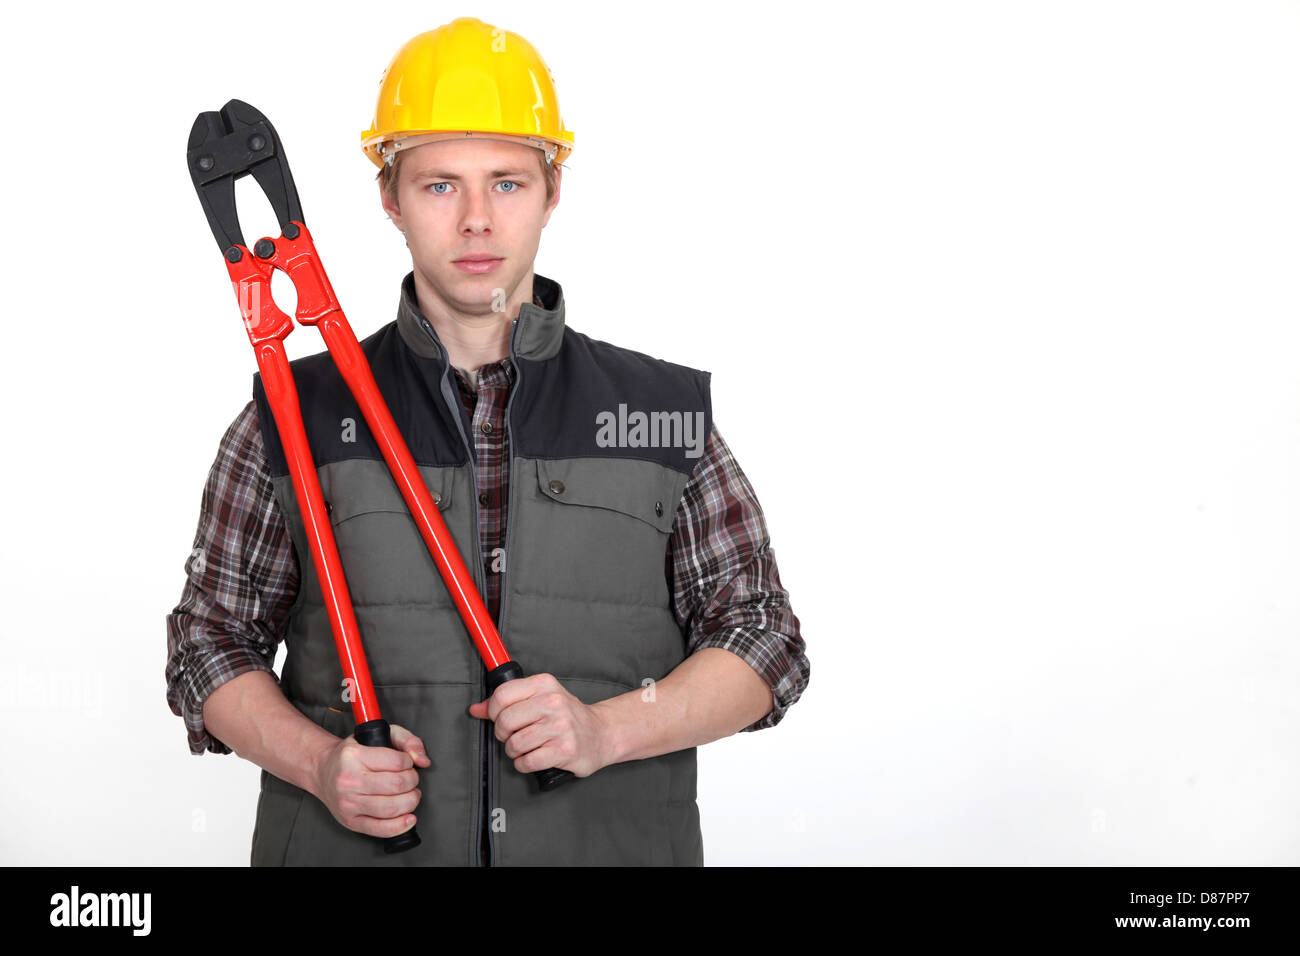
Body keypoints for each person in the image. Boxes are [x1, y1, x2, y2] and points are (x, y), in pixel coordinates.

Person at [166, 16, 809, 866]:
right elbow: (207, 643)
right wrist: (321, 765)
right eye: (440, 186)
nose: (475, 220)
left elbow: (763, 637)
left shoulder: (659, 412)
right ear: (390, 199)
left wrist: (604, 731)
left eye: (506, 183)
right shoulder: (290, 416)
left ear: (552, 193)